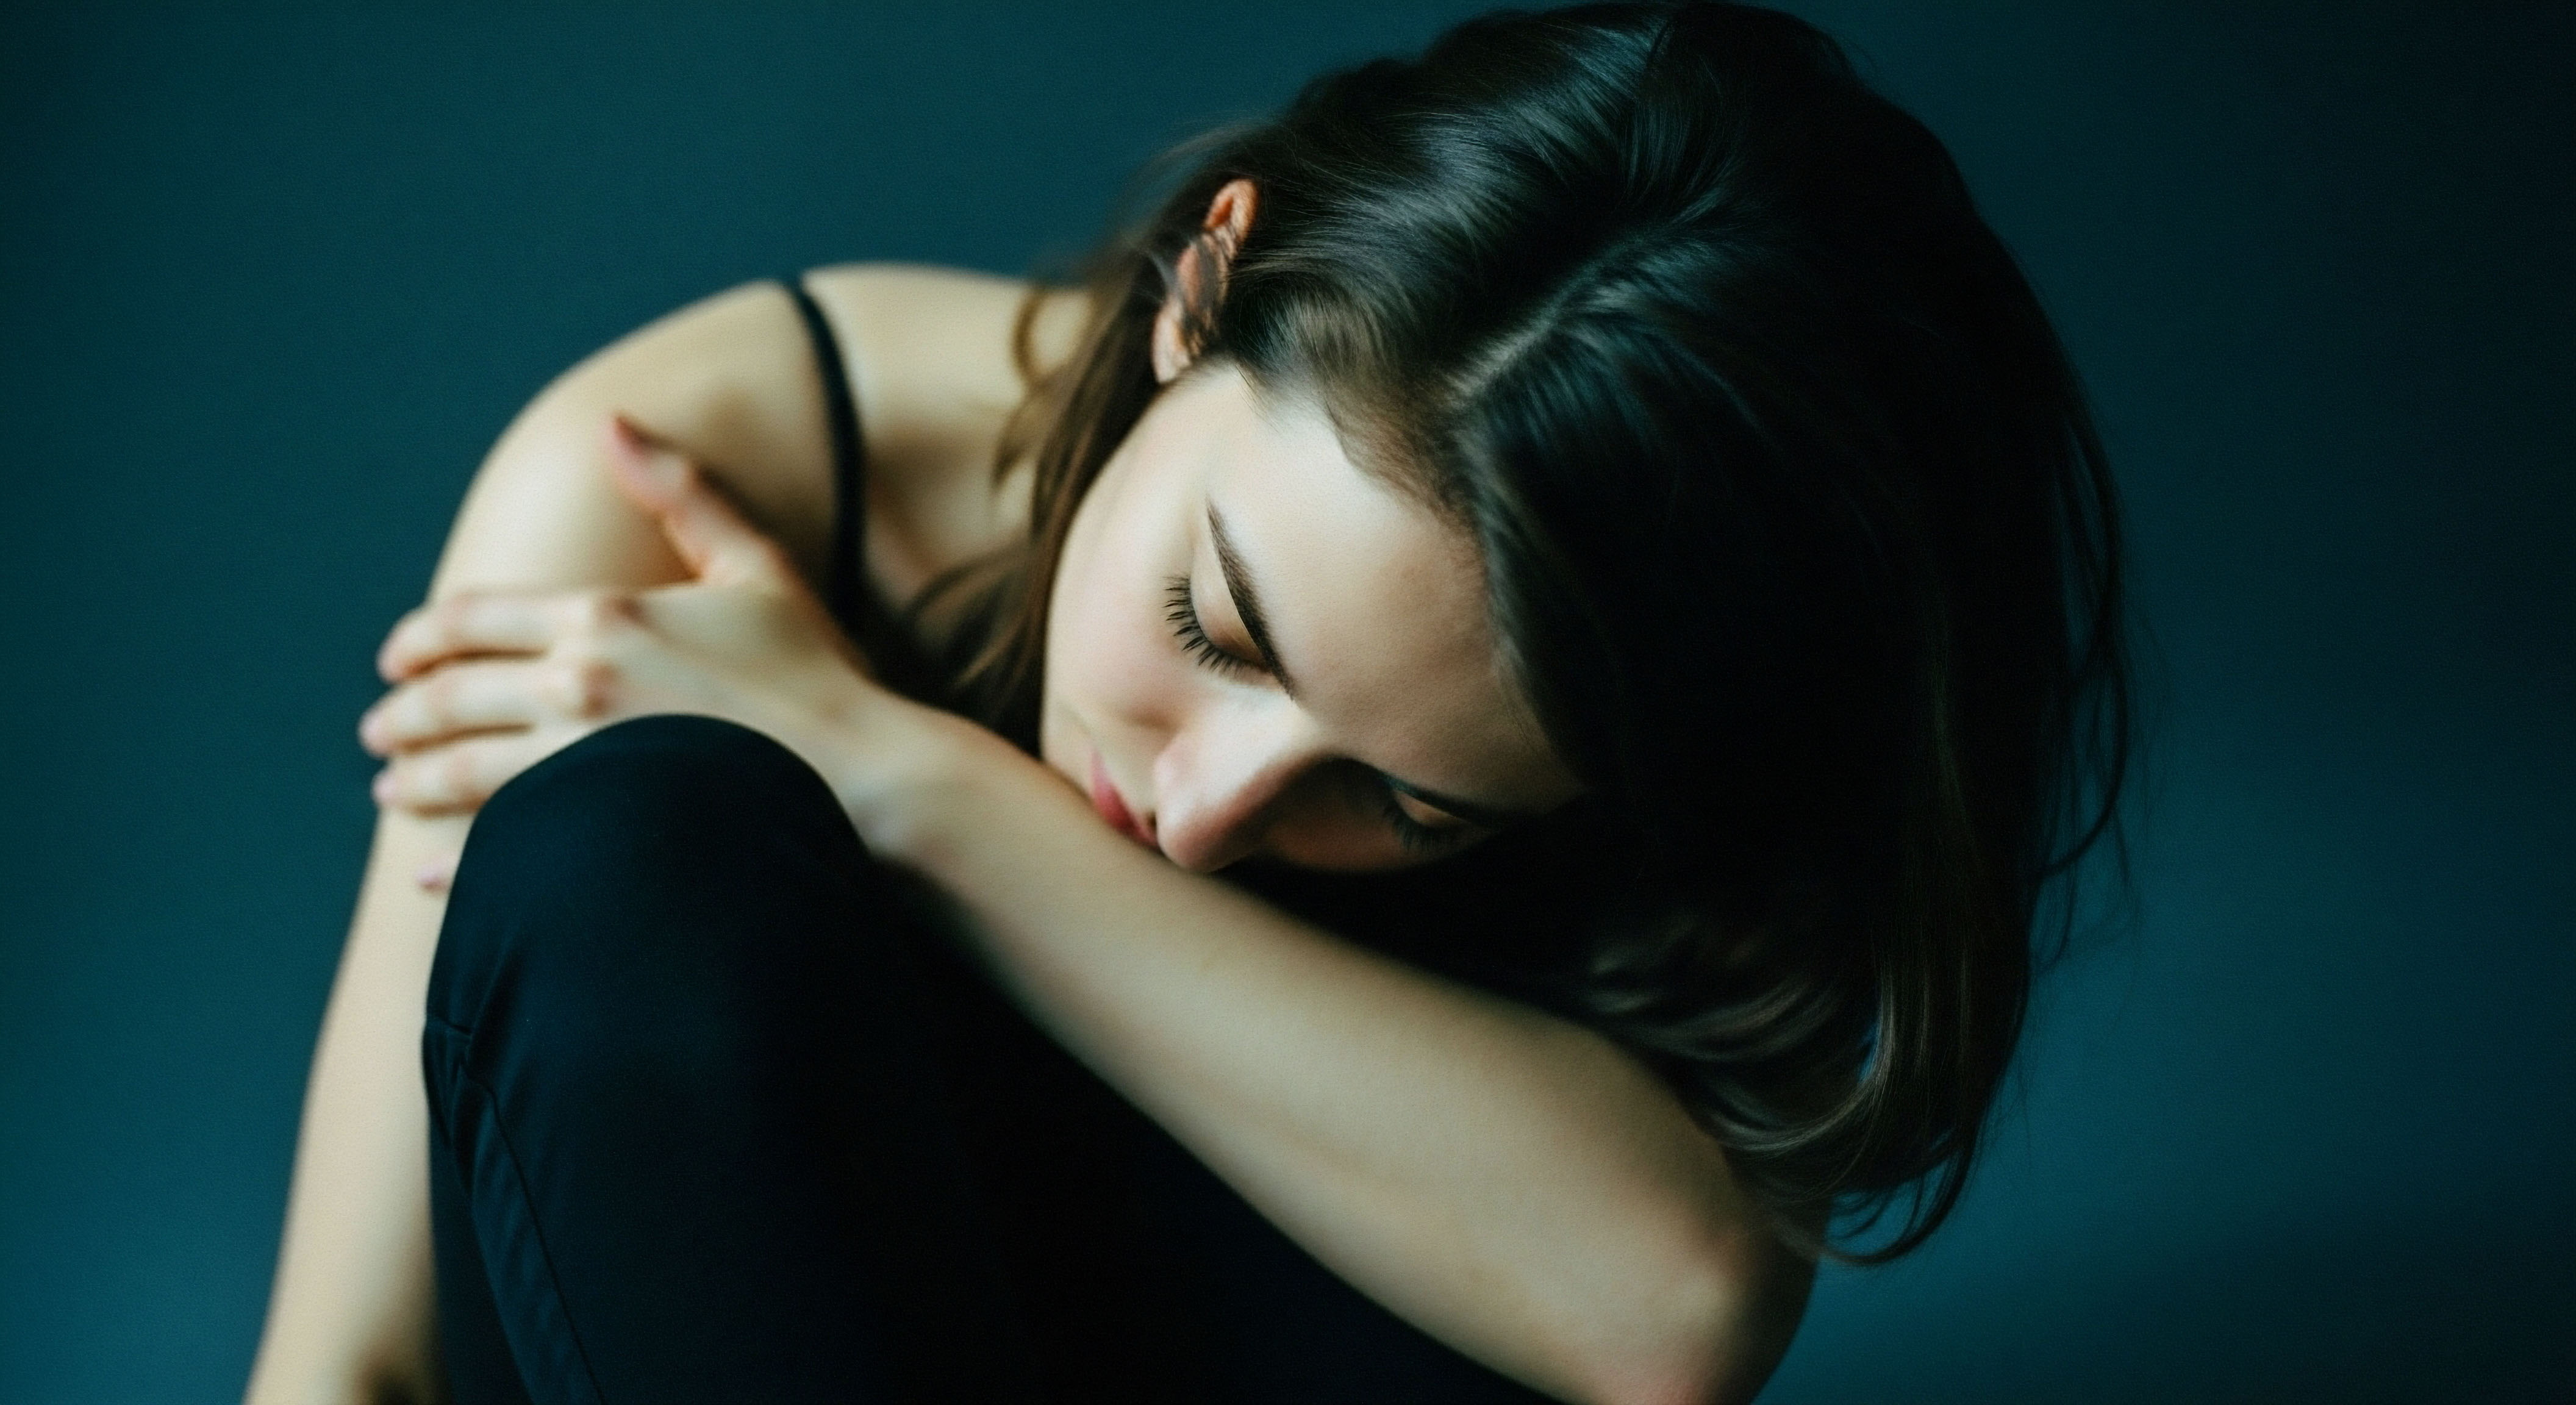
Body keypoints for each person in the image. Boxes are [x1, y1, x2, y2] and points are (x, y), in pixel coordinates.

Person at [245, 2, 2132, 1401]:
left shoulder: (1643, 667)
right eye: (1220, 628)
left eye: (1415, 807)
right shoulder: (678, 463)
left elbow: (1677, 1312)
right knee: (637, 840)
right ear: (1200, 288)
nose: (1217, 810)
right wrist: (787, 771)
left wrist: (903, 777)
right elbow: (352, 1368)